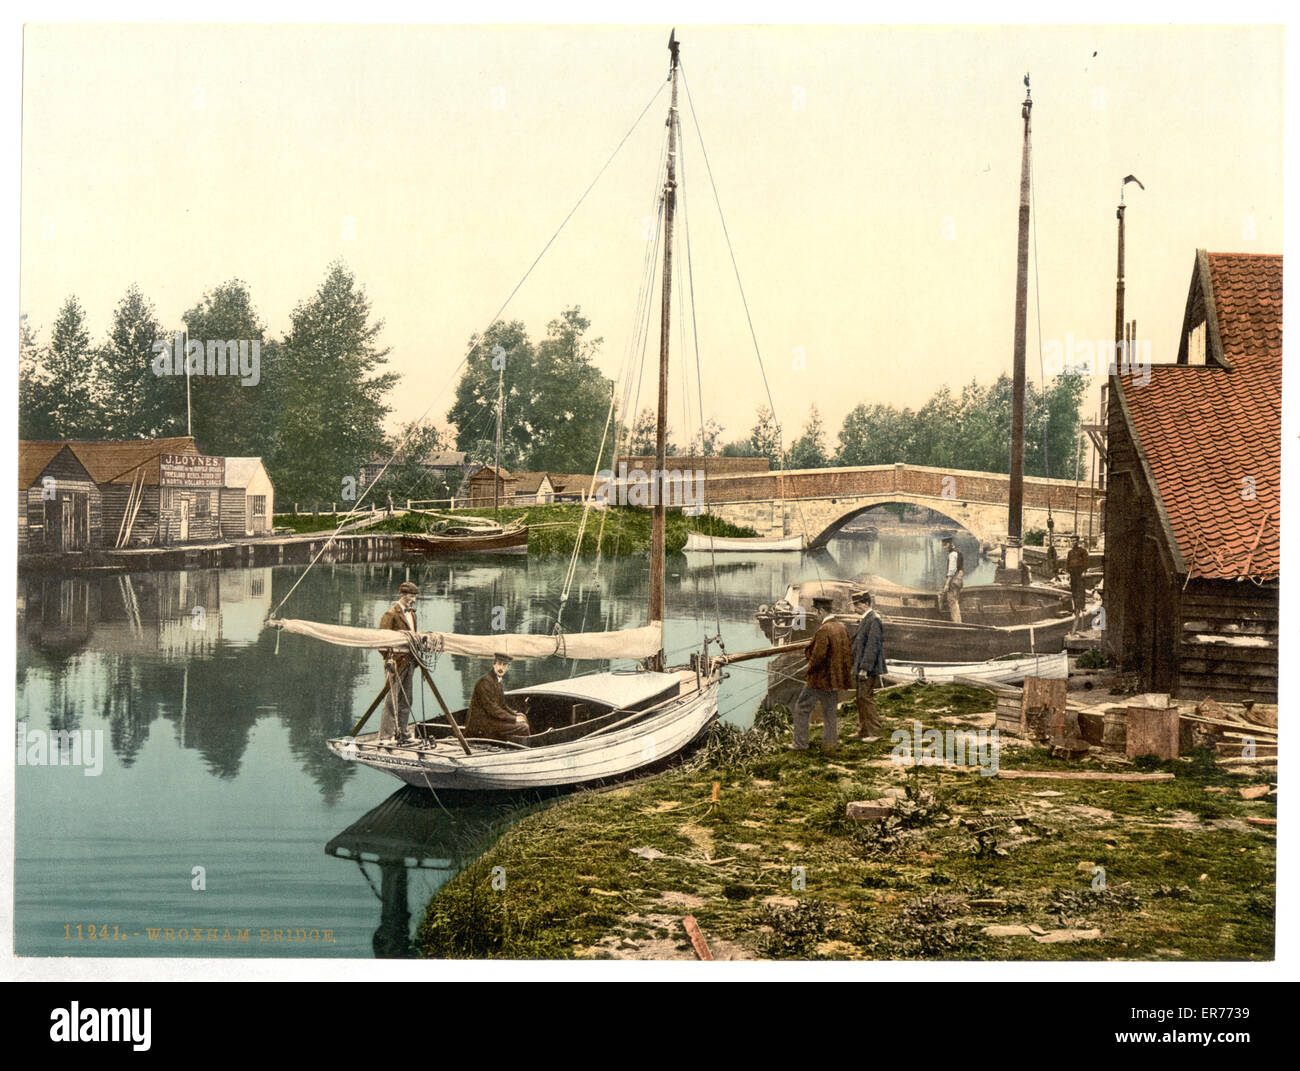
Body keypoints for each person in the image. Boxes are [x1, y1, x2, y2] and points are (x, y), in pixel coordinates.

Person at [790, 599, 854, 751]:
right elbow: (847, 654)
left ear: (821, 611)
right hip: (834, 680)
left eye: (815, 611)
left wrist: (809, 671)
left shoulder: (824, 630)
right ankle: (830, 743)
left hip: (820, 680)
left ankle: (800, 744)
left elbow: (818, 656)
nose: (815, 615)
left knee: (801, 707)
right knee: (830, 711)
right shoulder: (841, 627)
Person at [377, 581, 420, 742]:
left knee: (407, 699)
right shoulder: (391, 614)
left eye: (415, 596)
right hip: (395, 664)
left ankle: (403, 731)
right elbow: (381, 641)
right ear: (402, 595)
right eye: (411, 596)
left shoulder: (412, 614)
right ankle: (386, 735)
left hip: (410, 662)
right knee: (391, 700)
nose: (413, 600)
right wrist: (388, 659)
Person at [466, 654, 532, 741]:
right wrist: (514, 718)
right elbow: (492, 709)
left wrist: (516, 715)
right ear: (494, 665)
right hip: (481, 726)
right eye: (499, 664)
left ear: (507, 667)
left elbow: (503, 705)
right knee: (523, 727)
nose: (501, 668)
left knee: (523, 717)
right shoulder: (485, 682)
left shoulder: (498, 681)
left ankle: (517, 744)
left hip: (491, 720)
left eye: (504, 665)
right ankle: (523, 749)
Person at [850, 592, 887, 743]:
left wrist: (865, 668)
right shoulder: (866, 619)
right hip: (862, 666)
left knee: (866, 698)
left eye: (856, 605)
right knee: (860, 698)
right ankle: (863, 730)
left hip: (868, 668)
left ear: (865, 604)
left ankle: (875, 732)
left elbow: (872, 646)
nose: (854, 608)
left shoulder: (874, 620)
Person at [1066, 536, 1090, 633]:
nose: (1073, 542)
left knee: (1081, 588)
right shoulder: (1070, 552)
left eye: (1074, 541)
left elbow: (1086, 561)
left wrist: (1084, 571)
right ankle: (1076, 606)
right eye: (1071, 541)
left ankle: (1082, 606)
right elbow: (1067, 563)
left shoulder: (1082, 551)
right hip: (1072, 572)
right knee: (1074, 589)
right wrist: (1067, 573)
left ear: (1077, 541)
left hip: (1080, 571)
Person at [940, 536, 964, 623]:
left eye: (944, 545)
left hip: (953, 580)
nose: (943, 547)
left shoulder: (952, 554)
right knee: (955, 601)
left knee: (952, 602)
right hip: (959, 579)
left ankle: (957, 623)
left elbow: (951, 571)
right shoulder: (959, 552)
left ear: (949, 544)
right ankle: (958, 621)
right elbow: (961, 569)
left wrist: (947, 584)